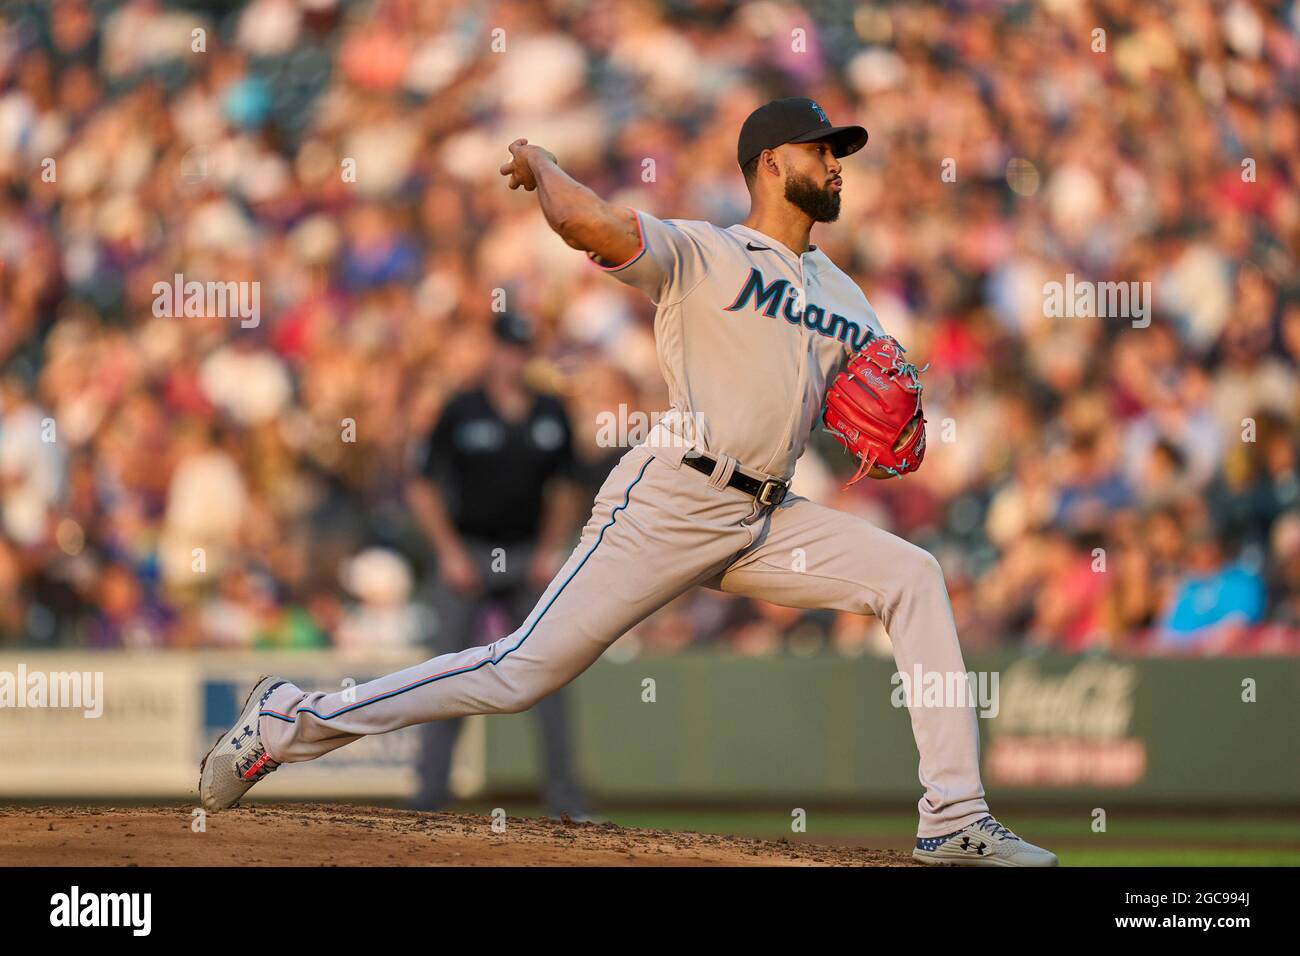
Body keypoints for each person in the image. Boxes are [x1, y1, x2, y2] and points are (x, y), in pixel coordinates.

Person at [201, 97, 1057, 866]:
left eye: (839, 153)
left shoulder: (848, 295)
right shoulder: (706, 252)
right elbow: (593, 226)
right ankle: (289, 719)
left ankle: (954, 814)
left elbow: (867, 407)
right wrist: (545, 168)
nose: (836, 165)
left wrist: (898, 424)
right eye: (820, 150)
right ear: (770, 163)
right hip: (672, 497)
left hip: (769, 516)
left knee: (914, 574)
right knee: (518, 673)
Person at [405, 313, 589, 818]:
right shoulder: (461, 409)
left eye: (524, 349)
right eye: (509, 348)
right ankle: (428, 800)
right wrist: (447, 551)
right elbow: (420, 483)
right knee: (444, 675)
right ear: (494, 349)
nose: (516, 358)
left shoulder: (550, 411)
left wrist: (552, 549)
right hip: (470, 553)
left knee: (550, 676)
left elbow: (569, 486)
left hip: (529, 556)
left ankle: (566, 802)